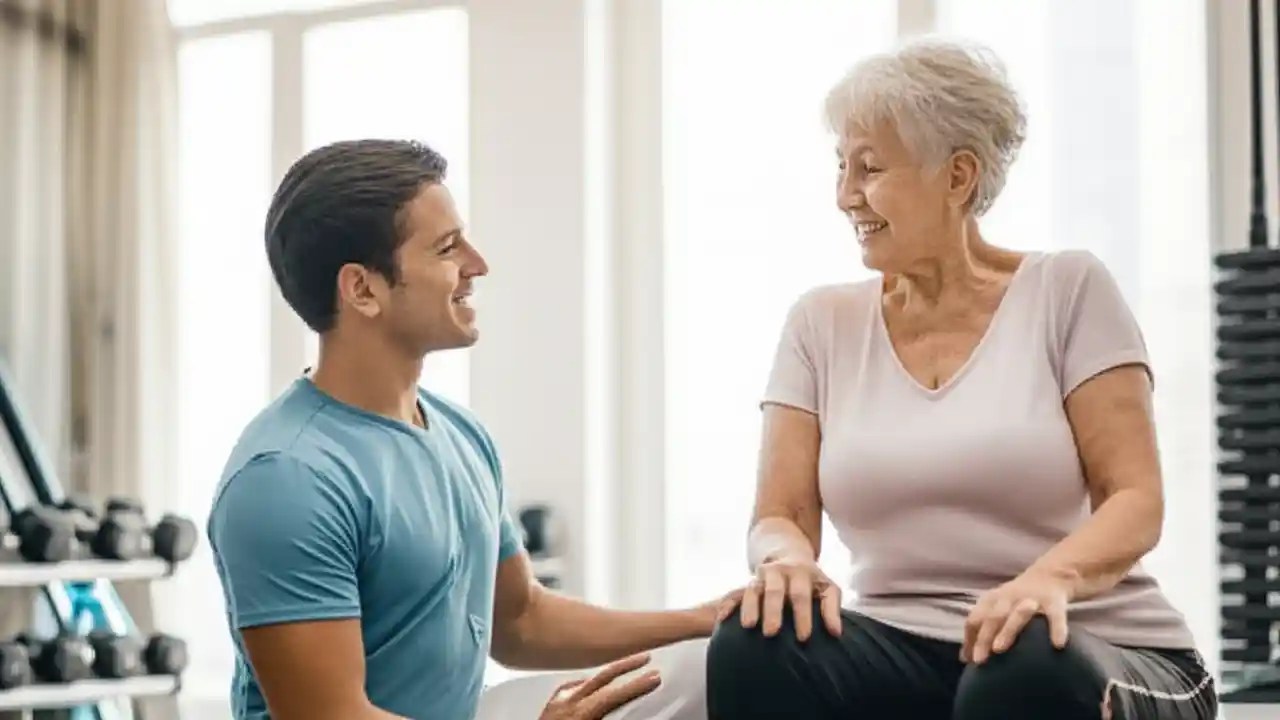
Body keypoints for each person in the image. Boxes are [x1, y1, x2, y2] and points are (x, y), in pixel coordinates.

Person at [705, 38, 1219, 720]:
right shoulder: (818, 325)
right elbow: (782, 514)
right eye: (841, 167)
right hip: (906, 647)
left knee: (1019, 666)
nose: (843, 196)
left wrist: (1045, 583)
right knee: (753, 641)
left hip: (1090, 648)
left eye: (870, 169)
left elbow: (1134, 498)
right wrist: (783, 562)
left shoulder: (1067, 290)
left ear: (957, 178)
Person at [206, 139, 736, 720]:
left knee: (704, 676)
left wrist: (704, 620)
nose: (478, 265)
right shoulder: (287, 478)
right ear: (362, 289)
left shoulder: (460, 433)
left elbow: (519, 619)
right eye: (447, 249)